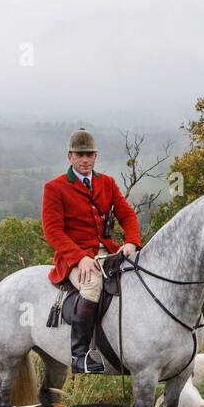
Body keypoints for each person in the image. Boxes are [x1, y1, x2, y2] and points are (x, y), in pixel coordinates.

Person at [41, 128, 142, 373]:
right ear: (70, 157)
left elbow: (127, 214)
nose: (85, 159)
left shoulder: (106, 183)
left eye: (90, 155)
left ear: (96, 156)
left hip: (109, 251)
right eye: (80, 155)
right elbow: (53, 231)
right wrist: (79, 258)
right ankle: (80, 355)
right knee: (92, 284)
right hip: (74, 257)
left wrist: (131, 241)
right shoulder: (55, 188)